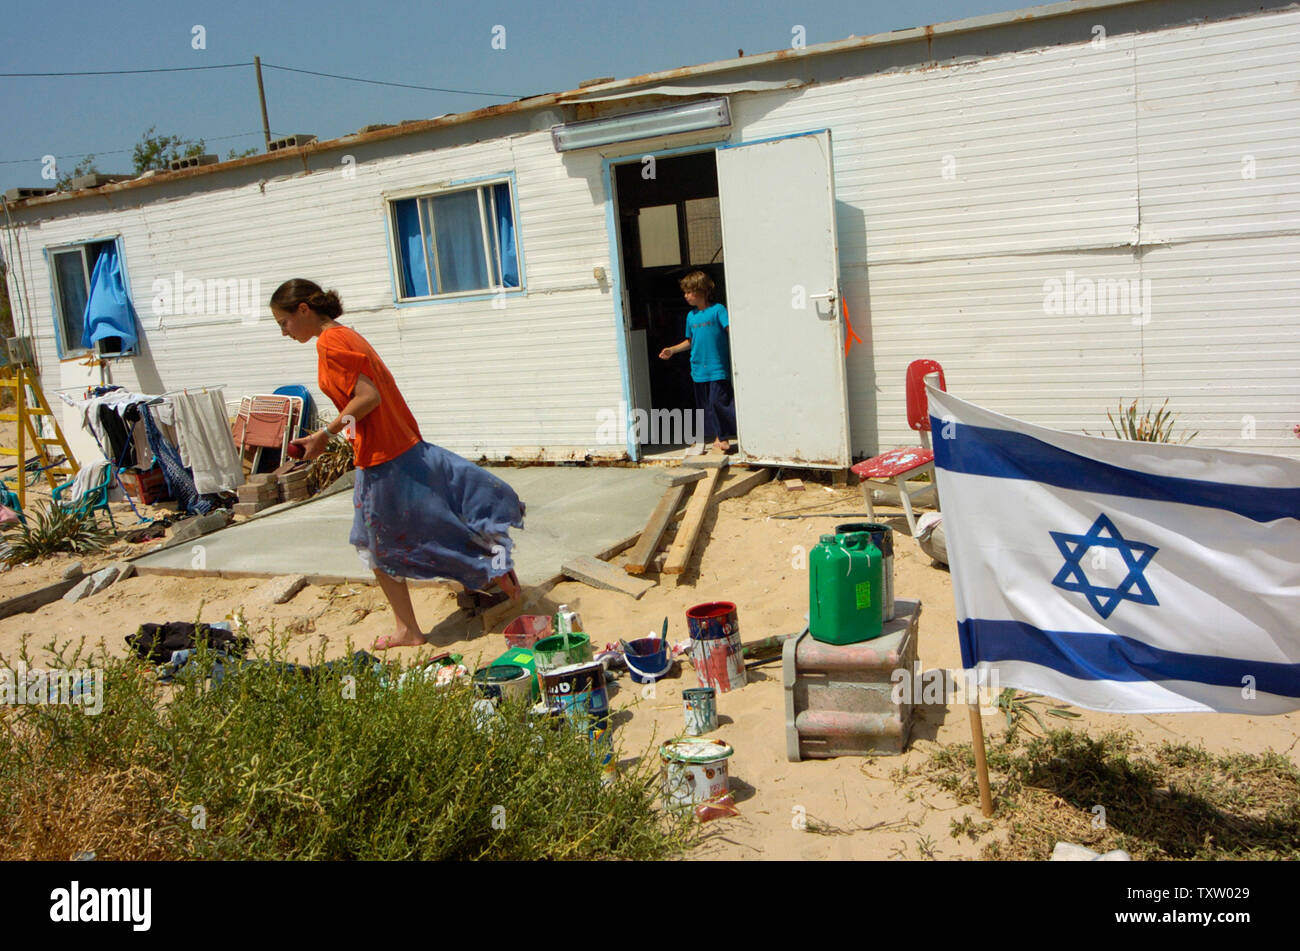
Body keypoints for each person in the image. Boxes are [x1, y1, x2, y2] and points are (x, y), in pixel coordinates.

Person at [271, 279, 525, 650]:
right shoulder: (344, 336)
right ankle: (495, 573)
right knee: (424, 524)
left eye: (284, 323)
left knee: (383, 546)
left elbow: (367, 397)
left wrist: (324, 435)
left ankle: (422, 621)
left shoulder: (331, 343)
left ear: (304, 310)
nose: (284, 332)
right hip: (393, 448)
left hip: (383, 458)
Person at [658, 271, 736, 454]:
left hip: (717, 367)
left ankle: (723, 438)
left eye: (689, 292)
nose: (685, 296)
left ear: (702, 291)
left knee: (719, 401)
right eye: (684, 292)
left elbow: (730, 330)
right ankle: (719, 438)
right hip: (698, 369)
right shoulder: (691, 316)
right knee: (707, 406)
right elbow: (690, 341)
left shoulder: (718, 310)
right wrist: (673, 350)